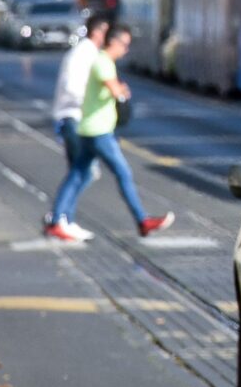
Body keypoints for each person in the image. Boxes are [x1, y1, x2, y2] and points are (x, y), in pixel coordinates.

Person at [45, 25, 174, 241]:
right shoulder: (103, 62)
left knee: (78, 173)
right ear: (113, 42)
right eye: (124, 44)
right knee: (123, 173)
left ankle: (57, 220)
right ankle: (142, 220)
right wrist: (121, 90)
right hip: (99, 131)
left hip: (89, 128)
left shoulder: (102, 61)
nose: (126, 50)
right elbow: (116, 91)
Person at [44, 15, 109, 242]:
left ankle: (64, 219)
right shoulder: (84, 54)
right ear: (98, 32)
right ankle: (59, 219)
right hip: (73, 118)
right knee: (83, 171)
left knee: (80, 171)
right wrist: (89, 103)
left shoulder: (88, 53)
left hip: (75, 118)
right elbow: (72, 87)